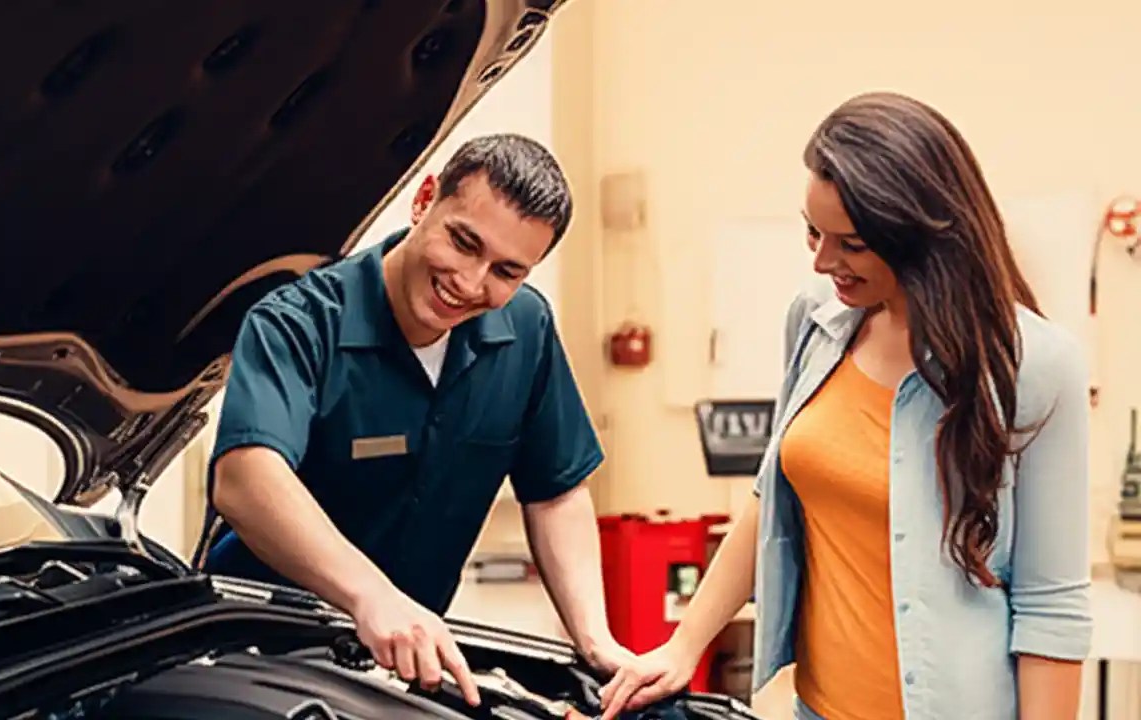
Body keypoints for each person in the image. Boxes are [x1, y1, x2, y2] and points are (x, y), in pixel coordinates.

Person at [599, 91, 1093, 720]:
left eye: (852, 243)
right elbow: (769, 499)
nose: (822, 260)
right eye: (813, 232)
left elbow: (1052, 609)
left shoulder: (1036, 366)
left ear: (920, 237)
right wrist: (682, 646)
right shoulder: (818, 322)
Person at [191, 133, 639, 706]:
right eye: (463, 242)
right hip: (253, 661)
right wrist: (370, 596)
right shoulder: (299, 322)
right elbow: (247, 480)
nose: (471, 283)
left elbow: (554, 492)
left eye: (507, 270)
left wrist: (594, 639)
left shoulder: (526, 330)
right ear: (425, 198)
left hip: (402, 672)